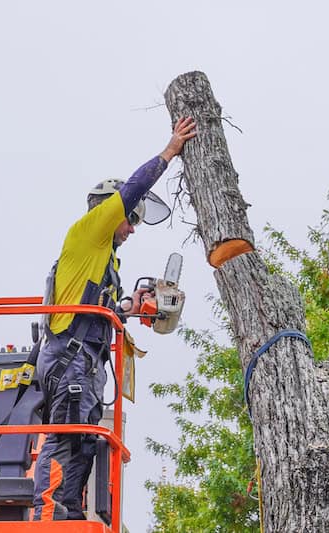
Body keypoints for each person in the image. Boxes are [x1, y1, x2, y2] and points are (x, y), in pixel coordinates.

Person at [32, 117, 197, 521]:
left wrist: (128, 306)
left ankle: (67, 511)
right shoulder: (89, 232)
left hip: (85, 362)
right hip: (69, 358)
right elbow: (133, 189)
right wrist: (169, 151)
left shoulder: (101, 259)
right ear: (111, 212)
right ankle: (48, 512)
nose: (133, 229)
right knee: (65, 435)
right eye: (132, 219)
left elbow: (96, 309)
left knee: (85, 439)